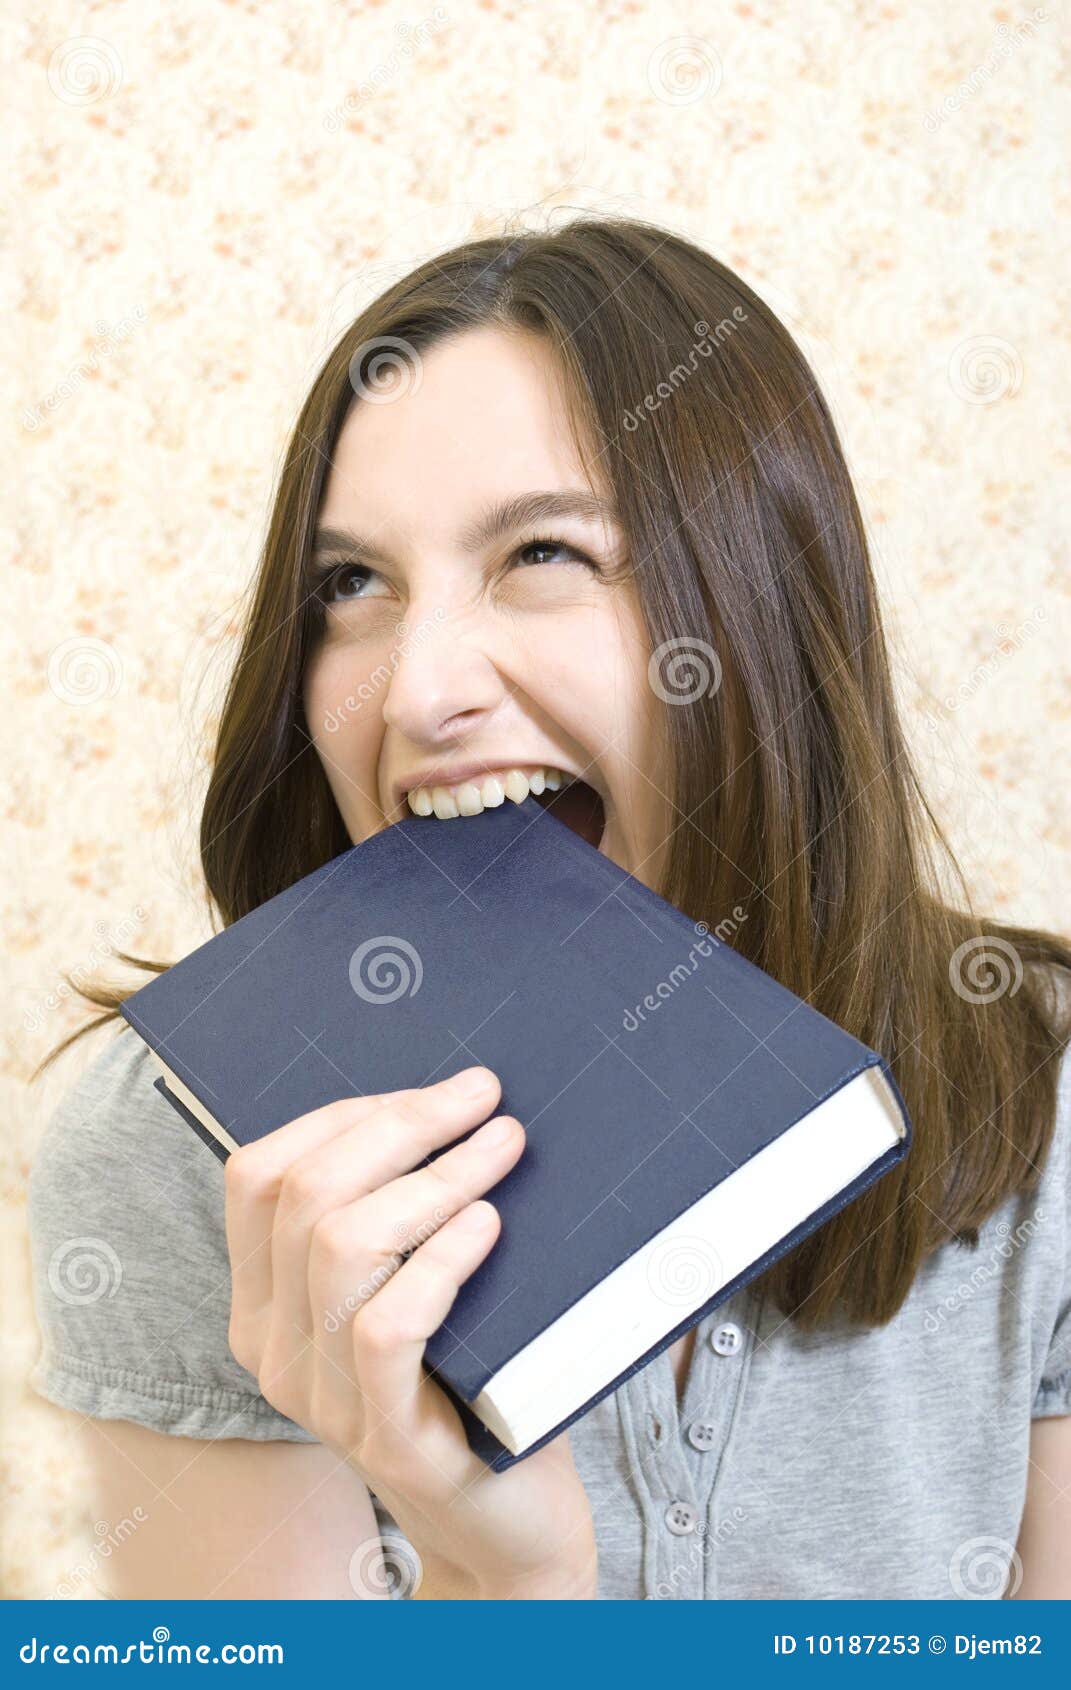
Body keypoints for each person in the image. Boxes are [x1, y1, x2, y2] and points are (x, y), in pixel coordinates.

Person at [27, 217, 1071, 1600]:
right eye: (353, 585)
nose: (413, 691)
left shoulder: (1039, 1094)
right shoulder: (179, 1156)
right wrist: (504, 1575)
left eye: (541, 556)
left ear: (755, 601)